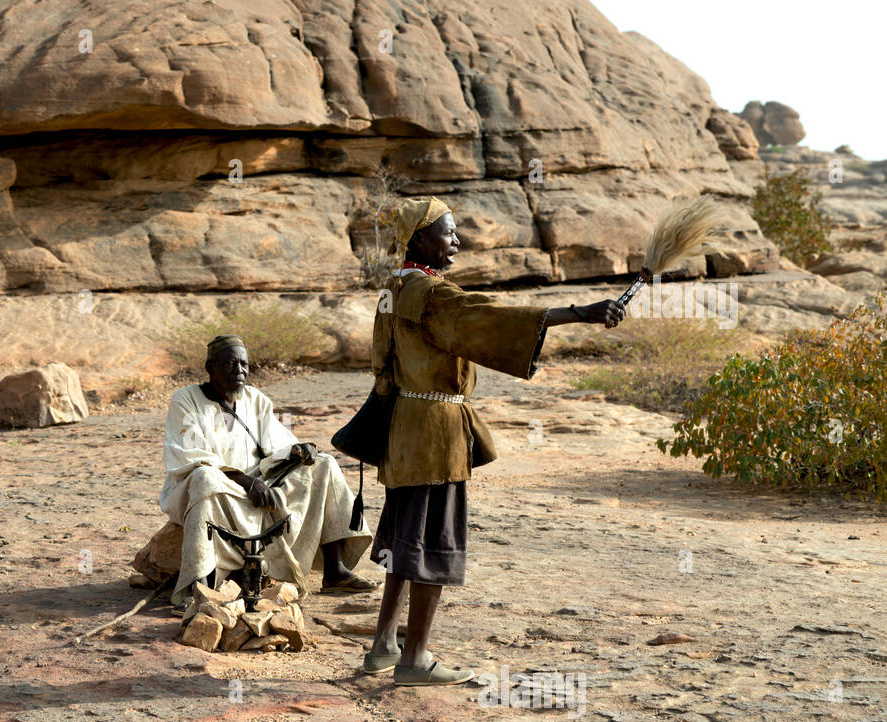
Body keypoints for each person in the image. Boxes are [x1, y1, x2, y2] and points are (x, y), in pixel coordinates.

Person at [364, 197, 626, 686]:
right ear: (419, 238)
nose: (457, 241)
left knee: (404, 539)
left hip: (403, 429)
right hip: (435, 435)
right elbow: (491, 317)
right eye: (448, 232)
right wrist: (580, 312)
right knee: (432, 543)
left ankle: (383, 645)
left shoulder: (394, 288)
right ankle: (414, 659)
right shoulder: (432, 293)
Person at [161, 335, 375, 609]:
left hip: (258, 482)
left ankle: (335, 570)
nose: (239, 371)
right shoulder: (186, 400)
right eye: (230, 364)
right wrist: (247, 482)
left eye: (244, 365)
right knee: (205, 478)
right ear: (209, 367)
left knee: (323, 464)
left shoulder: (255, 399)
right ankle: (199, 583)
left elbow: (276, 445)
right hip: (216, 485)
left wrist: (297, 450)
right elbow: (191, 456)